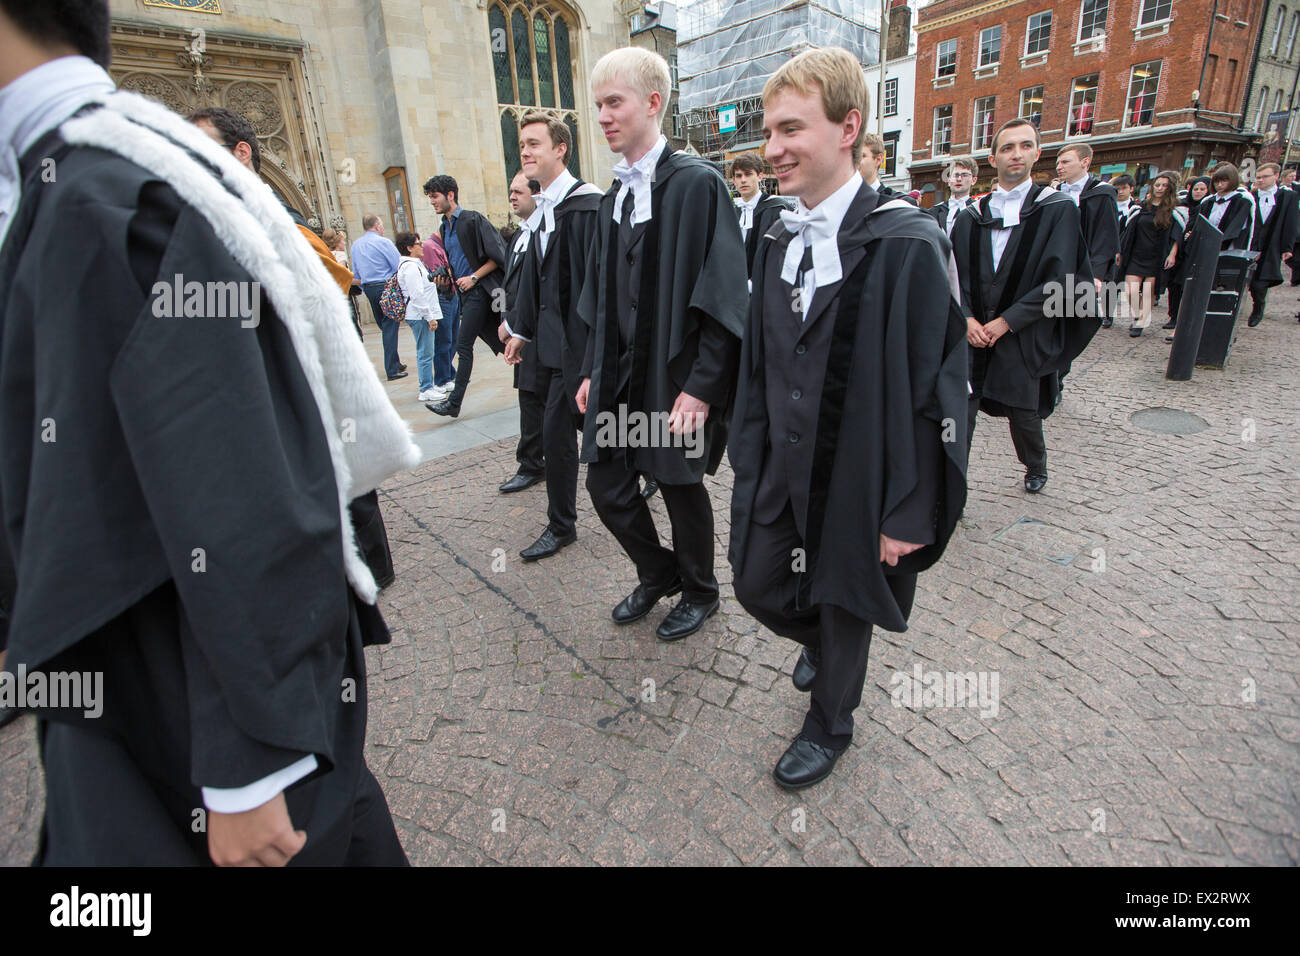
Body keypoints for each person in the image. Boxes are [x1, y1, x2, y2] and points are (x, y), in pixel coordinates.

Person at [0, 0, 419, 865]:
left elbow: (239, 479)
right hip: (115, 659)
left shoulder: (116, 195)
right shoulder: (70, 183)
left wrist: (249, 762)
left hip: (180, 680)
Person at [728, 47, 968, 789]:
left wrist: (910, 508)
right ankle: (827, 648)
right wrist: (750, 451)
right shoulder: (773, 236)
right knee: (756, 584)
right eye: (769, 132)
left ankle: (831, 721)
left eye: (791, 129)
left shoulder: (907, 244)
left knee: (842, 597)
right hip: (781, 468)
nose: (772, 151)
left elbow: (940, 392)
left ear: (848, 128)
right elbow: (763, 360)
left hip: (859, 471)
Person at [574, 47, 747, 641]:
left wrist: (702, 387)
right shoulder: (614, 196)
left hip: (672, 376)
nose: (602, 116)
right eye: (598, 105)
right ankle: (659, 571)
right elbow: (600, 296)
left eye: (613, 103)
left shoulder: (699, 185)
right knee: (605, 483)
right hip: (618, 372)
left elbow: (725, 297)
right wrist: (592, 369)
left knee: (677, 483)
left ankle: (701, 589)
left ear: (652, 103)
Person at [951, 117, 1090, 496]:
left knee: (1023, 411)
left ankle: (1035, 463)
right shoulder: (970, 216)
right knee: (959, 410)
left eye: (1025, 146)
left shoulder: (1057, 209)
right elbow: (953, 276)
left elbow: (1062, 280)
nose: (1017, 154)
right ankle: (952, 484)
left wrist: (1007, 322)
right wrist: (965, 319)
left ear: (1037, 154)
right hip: (973, 332)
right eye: (1008, 147)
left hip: (1022, 331)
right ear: (993, 158)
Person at [503, 116, 605, 560]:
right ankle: (563, 524)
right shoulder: (542, 210)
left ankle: (564, 523)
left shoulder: (588, 206)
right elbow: (535, 281)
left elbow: (600, 285)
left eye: (533, 144)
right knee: (561, 431)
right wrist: (521, 332)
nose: (524, 152)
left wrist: (593, 354)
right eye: (521, 145)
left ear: (561, 148)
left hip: (580, 346)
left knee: (581, 429)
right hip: (549, 346)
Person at [424, 174, 507, 418]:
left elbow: (498, 255)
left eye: (435, 196)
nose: (432, 201)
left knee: (463, 344)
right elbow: (457, 264)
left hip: (481, 292)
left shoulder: (472, 220)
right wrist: (445, 278)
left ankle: (454, 403)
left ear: (451, 195)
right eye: (430, 197)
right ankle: (536, 371)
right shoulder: (444, 227)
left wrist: (473, 277)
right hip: (465, 295)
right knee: (502, 340)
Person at [498, 172, 546, 493]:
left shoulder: (546, 231)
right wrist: (506, 319)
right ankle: (532, 462)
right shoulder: (519, 235)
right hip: (523, 334)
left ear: (536, 194)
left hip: (544, 334)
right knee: (530, 398)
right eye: (510, 192)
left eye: (518, 192)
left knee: (574, 406)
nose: (512, 197)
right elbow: (509, 284)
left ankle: (638, 455)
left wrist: (519, 325)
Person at [1055, 143, 1119, 332]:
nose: (1060, 167)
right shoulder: (1054, 193)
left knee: (1075, 318)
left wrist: (1096, 273)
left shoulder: (1102, 193)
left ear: (1085, 162)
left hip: (1085, 263)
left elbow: (1106, 234)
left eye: (1066, 162)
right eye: (1058, 163)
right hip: (1057, 261)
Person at [1117, 171, 1184, 337]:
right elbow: (1127, 231)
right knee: (1131, 289)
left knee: (1148, 291)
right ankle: (1139, 314)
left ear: (1170, 188)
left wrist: (1172, 254)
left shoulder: (1174, 210)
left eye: (1164, 186)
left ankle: (1141, 320)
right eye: (1157, 185)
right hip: (1137, 253)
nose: (1160, 188)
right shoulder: (1140, 207)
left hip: (1157, 255)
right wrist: (1120, 251)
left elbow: (1177, 234)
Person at [351, 214, 405, 380]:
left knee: (385, 324)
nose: (382, 228)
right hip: (385, 286)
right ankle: (392, 369)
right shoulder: (383, 242)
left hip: (368, 288)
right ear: (376, 225)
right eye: (381, 225)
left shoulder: (356, 245)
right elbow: (398, 265)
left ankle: (395, 361)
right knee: (389, 325)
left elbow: (356, 271)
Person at [1245, 162, 1299, 327]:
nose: (1260, 180)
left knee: (1260, 282)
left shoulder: (1288, 197)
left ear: (1276, 176)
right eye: (1258, 177)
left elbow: (1291, 223)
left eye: (1265, 177)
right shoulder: (1251, 196)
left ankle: (1258, 306)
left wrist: (1287, 247)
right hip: (1251, 242)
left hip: (1271, 242)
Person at [394, 231, 442, 398]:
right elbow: (417, 295)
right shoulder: (410, 267)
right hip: (419, 315)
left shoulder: (414, 264)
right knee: (425, 351)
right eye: (418, 244)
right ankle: (426, 388)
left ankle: (428, 384)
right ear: (409, 248)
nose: (422, 246)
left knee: (428, 351)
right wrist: (429, 317)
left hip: (420, 314)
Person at [1164, 176, 1211, 333]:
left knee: (1188, 287)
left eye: (1202, 189)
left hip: (1196, 253)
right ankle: (1173, 315)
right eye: (1196, 189)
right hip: (1179, 251)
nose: (1198, 192)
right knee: (1174, 286)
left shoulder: (1208, 206)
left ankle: (1186, 319)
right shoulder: (1182, 206)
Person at [731, 150, 788, 277]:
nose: (743, 180)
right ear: (733, 180)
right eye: (739, 176)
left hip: (767, 282)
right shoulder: (732, 212)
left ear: (760, 176)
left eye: (748, 174)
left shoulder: (777, 208)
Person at [420, 231, 458, 392]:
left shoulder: (442, 247)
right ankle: (442, 378)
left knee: (454, 337)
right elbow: (439, 277)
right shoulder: (430, 246)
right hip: (442, 296)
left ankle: (448, 372)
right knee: (444, 339)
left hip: (452, 294)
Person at [1196, 163, 1254, 251]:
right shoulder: (1207, 202)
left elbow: (1236, 229)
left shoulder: (1242, 201)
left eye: (1223, 181)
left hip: (1227, 248)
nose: (1219, 185)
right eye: (1216, 181)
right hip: (1204, 246)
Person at [857, 133, 917, 205]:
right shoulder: (842, 200)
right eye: (852, 156)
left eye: (861, 156)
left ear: (878, 159)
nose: (854, 161)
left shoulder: (900, 204)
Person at [929, 158, 978, 236]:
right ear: (949, 181)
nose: (959, 179)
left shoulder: (978, 211)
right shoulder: (935, 211)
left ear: (974, 180)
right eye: (956, 175)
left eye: (964, 175)